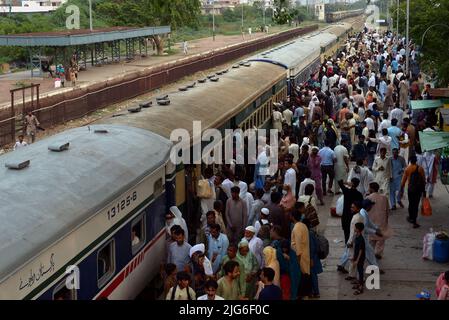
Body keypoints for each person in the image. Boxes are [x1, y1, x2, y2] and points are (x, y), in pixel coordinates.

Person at [290, 202, 311, 299]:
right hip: (305, 254)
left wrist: (298, 261)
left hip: (300, 257)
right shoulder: (303, 225)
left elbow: (298, 247)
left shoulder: (297, 228)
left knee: (302, 278)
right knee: (305, 276)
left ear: (293, 217)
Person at [400, 155, 426, 228]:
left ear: (410, 161)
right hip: (418, 190)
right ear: (416, 161)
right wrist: (424, 191)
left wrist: (401, 190)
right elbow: (423, 180)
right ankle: (414, 220)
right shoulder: (420, 168)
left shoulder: (407, 169)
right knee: (416, 204)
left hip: (410, 189)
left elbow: (403, 182)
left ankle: (411, 218)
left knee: (411, 203)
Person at [367, 182, 390, 259]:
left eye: (369, 187)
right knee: (381, 240)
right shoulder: (384, 198)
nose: (368, 189)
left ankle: (371, 253)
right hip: (382, 221)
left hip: (371, 222)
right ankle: (378, 253)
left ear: (371, 189)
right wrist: (386, 220)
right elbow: (387, 210)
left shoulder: (368, 198)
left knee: (371, 240)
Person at [338, 178, 363, 245]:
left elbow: (340, 181)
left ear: (351, 183)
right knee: (354, 231)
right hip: (355, 215)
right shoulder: (359, 194)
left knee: (346, 231)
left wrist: (346, 183)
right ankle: (353, 243)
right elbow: (361, 205)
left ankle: (347, 243)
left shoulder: (346, 191)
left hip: (346, 214)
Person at [305, 219, 323, 299]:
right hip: (312, 257)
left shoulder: (308, 234)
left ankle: (315, 292)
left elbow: (312, 247)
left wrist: (311, 259)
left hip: (312, 258)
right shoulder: (310, 232)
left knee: (312, 276)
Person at [352, 222, 366, 296]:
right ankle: (358, 283)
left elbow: (361, 250)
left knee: (360, 271)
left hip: (360, 258)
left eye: (355, 227)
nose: (354, 228)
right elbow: (355, 247)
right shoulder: (357, 236)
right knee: (358, 270)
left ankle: (361, 287)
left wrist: (357, 260)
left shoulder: (361, 239)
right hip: (356, 255)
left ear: (358, 229)